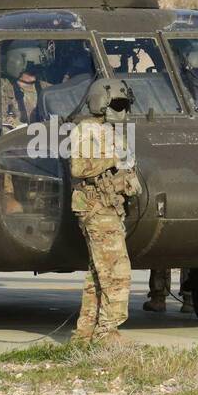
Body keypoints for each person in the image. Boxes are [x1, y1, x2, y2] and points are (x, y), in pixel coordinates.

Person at [71, 79, 140, 345]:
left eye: (123, 105)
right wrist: (114, 159)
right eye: (116, 105)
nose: (121, 110)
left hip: (109, 207)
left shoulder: (110, 131)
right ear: (101, 104)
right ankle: (108, 332)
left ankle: (86, 334)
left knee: (98, 274)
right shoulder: (86, 130)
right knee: (116, 271)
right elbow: (78, 169)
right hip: (96, 207)